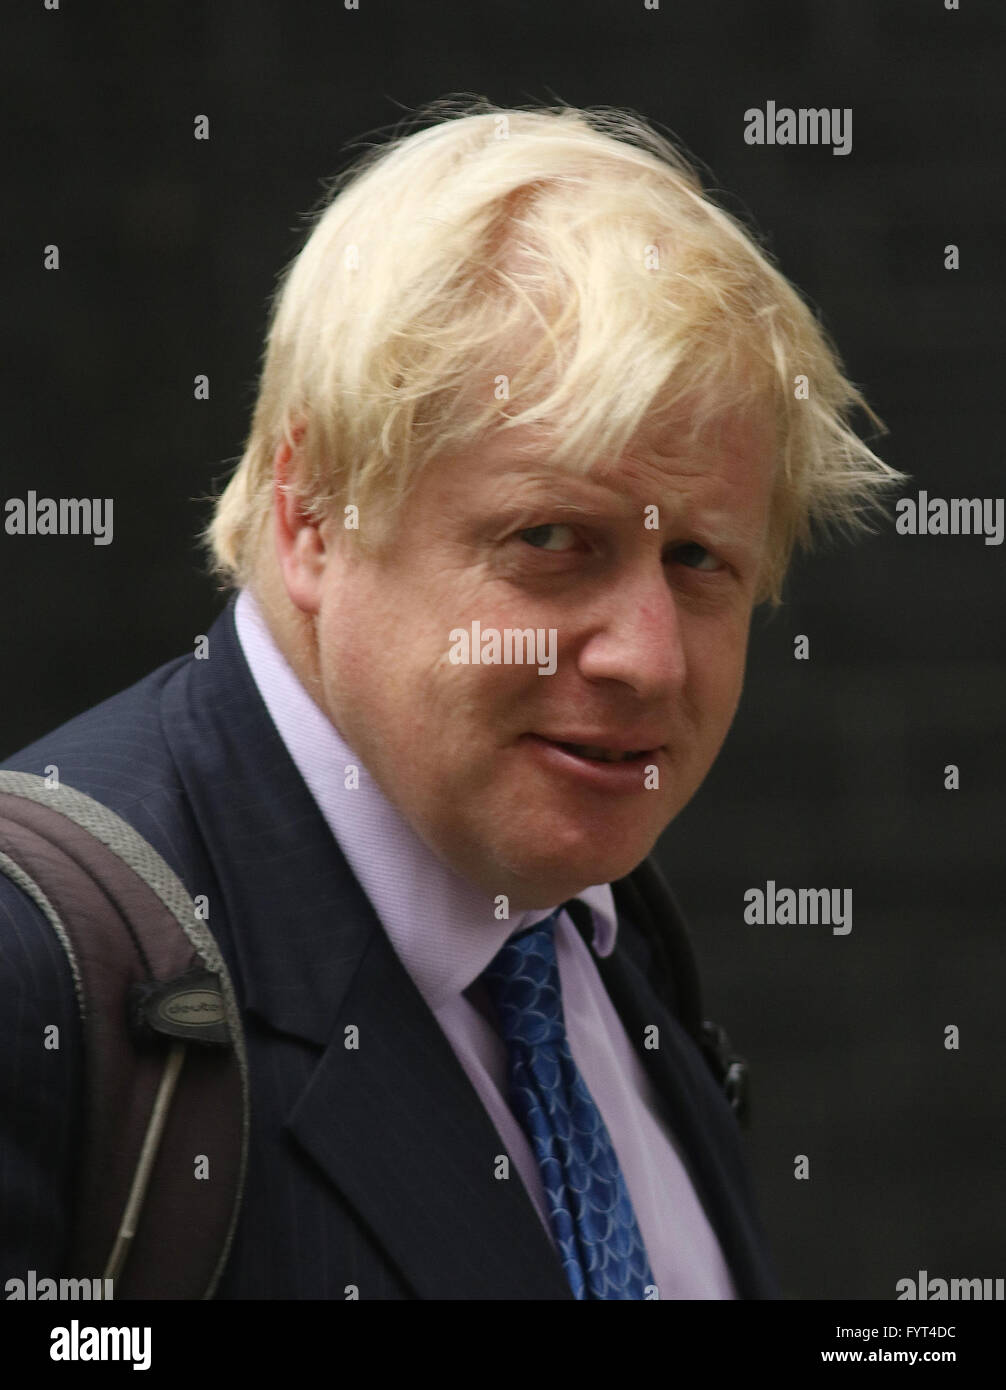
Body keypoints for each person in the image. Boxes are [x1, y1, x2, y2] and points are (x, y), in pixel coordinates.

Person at [0, 97, 902, 1300]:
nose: (648, 659)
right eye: (550, 538)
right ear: (309, 515)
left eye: (698, 561)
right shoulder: (32, 977)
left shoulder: (596, 933)